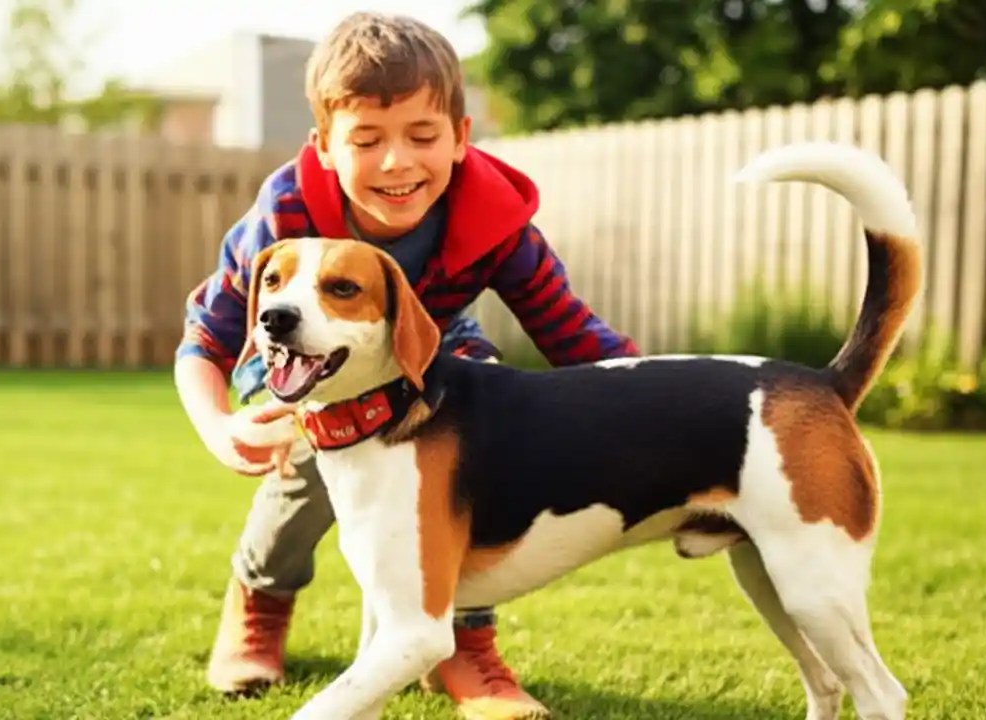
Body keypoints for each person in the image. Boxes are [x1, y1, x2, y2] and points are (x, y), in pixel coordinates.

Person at [173, 11, 639, 720]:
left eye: (423, 136)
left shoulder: (495, 219)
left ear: (460, 138)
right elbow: (205, 339)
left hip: (441, 349)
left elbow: (573, 336)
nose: (397, 161)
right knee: (305, 465)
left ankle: (462, 641)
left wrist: (673, 394)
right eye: (367, 139)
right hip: (302, 359)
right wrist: (219, 427)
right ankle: (260, 600)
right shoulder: (287, 215)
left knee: (469, 454)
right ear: (324, 147)